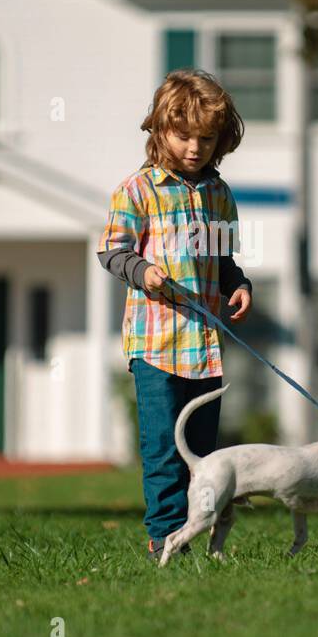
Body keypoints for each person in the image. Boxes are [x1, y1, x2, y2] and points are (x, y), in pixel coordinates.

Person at [96, 68, 253, 561]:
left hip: (205, 348)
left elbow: (223, 260)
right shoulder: (138, 191)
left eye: (206, 138)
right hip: (156, 347)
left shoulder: (218, 195)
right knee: (165, 451)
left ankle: (199, 534)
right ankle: (163, 539)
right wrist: (142, 272)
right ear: (159, 129)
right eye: (183, 135)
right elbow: (111, 250)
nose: (194, 147)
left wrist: (239, 285)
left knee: (203, 455)